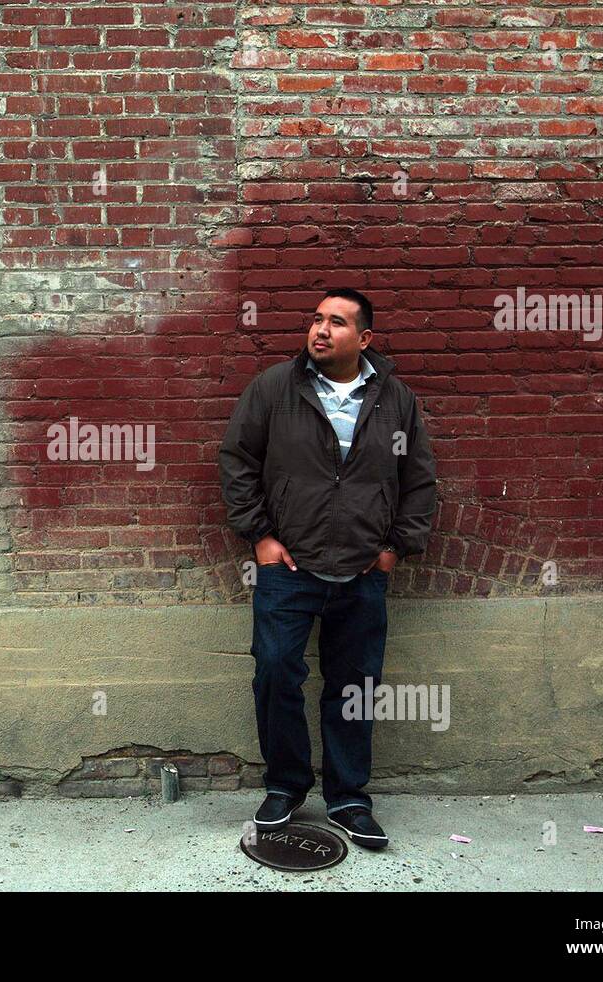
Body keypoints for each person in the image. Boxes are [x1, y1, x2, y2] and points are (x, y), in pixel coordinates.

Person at [218, 288, 437, 849]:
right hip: (288, 566)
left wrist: (395, 548)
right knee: (275, 673)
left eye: (336, 323)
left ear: (364, 339)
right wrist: (260, 537)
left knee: (355, 685)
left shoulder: (396, 401)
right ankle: (286, 786)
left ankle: (347, 797)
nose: (320, 330)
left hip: (363, 571)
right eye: (315, 319)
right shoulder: (275, 388)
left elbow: (418, 481)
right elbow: (237, 460)